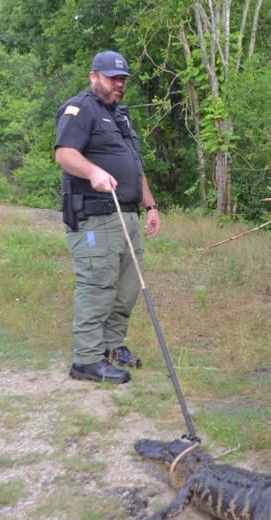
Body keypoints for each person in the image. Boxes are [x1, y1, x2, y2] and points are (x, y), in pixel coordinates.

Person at [54, 50, 163, 384]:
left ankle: (111, 346)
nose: (119, 84)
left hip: (127, 218)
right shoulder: (80, 108)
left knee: (126, 288)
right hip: (95, 218)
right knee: (97, 285)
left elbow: (134, 165)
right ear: (93, 76)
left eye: (123, 79)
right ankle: (86, 360)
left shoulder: (120, 116)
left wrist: (151, 206)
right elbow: (65, 153)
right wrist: (93, 172)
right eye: (112, 77)